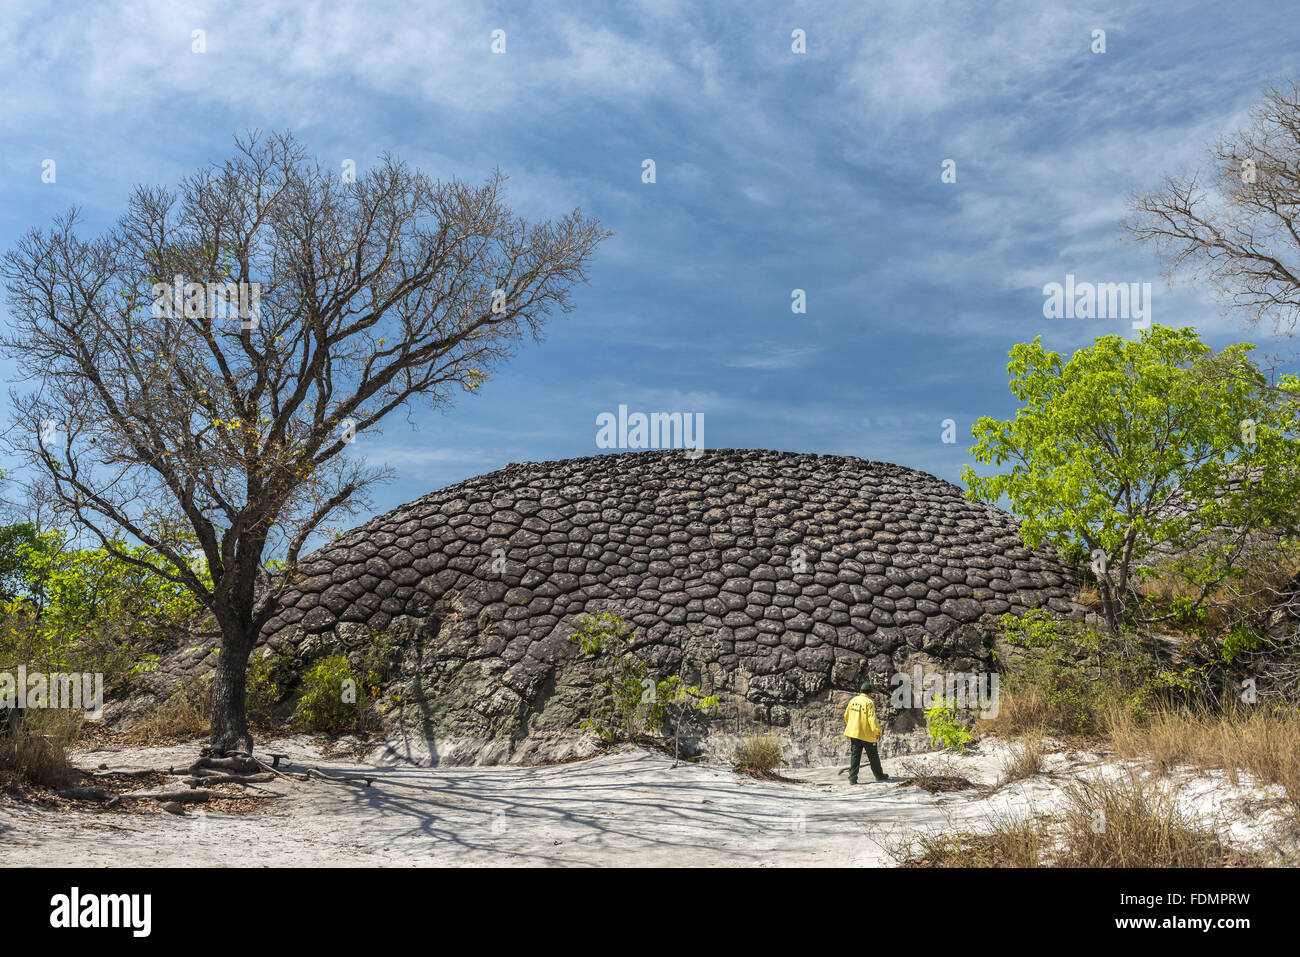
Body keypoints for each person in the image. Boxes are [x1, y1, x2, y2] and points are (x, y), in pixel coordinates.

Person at [844, 679, 889, 784]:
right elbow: (871, 719)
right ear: (870, 692)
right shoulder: (869, 702)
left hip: (854, 733)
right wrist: (877, 732)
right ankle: (879, 776)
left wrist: (852, 725)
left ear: (860, 691)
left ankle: (852, 778)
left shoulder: (853, 700)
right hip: (866, 734)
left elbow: (846, 715)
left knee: (855, 755)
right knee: (873, 756)